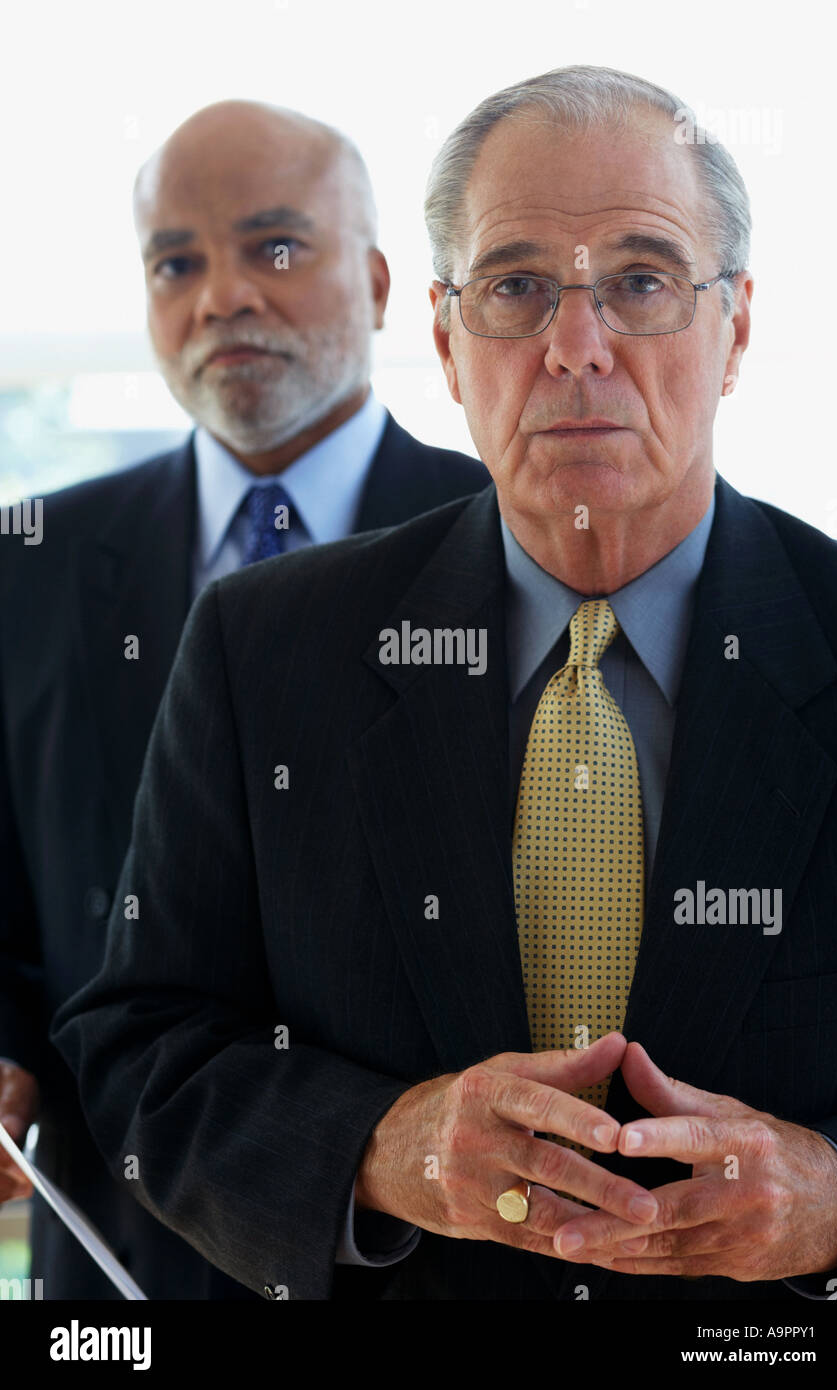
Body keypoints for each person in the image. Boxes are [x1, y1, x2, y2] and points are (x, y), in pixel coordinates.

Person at [54, 66, 837, 1302]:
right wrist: (384, 1150)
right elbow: (136, 1048)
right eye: (516, 287)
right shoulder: (263, 648)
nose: (574, 347)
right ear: (441, 337)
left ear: (735, 326)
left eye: (641, 281)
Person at [0, 98, 486, 1300]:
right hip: (113, 1256)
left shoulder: (509, 546)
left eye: (274, 247)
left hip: (429, 1255)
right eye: (177, 262)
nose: (221, 295)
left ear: (378, 284)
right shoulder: (30, 561)